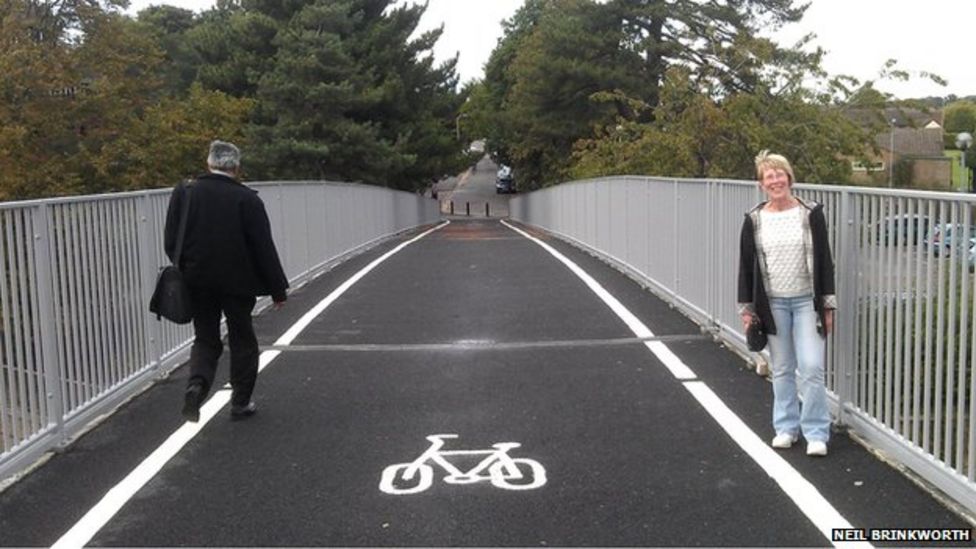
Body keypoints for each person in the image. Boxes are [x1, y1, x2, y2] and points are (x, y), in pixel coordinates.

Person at [164, 140, 289, 422]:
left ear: (208, 163)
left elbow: (171, 240)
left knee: (206, 338)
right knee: (242, 339)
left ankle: (197, 385)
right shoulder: (247, 199)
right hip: (238, 283)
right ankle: (240, 403)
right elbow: (263, 248)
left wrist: (187, 266)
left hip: (197, 279)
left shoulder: (185, 192)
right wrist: (277, 290)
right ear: (237, 167)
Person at [737, 150, 836, 457]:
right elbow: (746, 267)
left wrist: (828, 306)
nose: (775, 180)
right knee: (782, 368)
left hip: (808, 301)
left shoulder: (810, 213)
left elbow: (825, 262)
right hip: (773, 303)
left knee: (811, 367)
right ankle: (786, 428)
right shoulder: (754, 219)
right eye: (769, 176)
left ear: (789, 178)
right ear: (761, 184)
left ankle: (816, 432)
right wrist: (747, 309)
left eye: (779, 174)